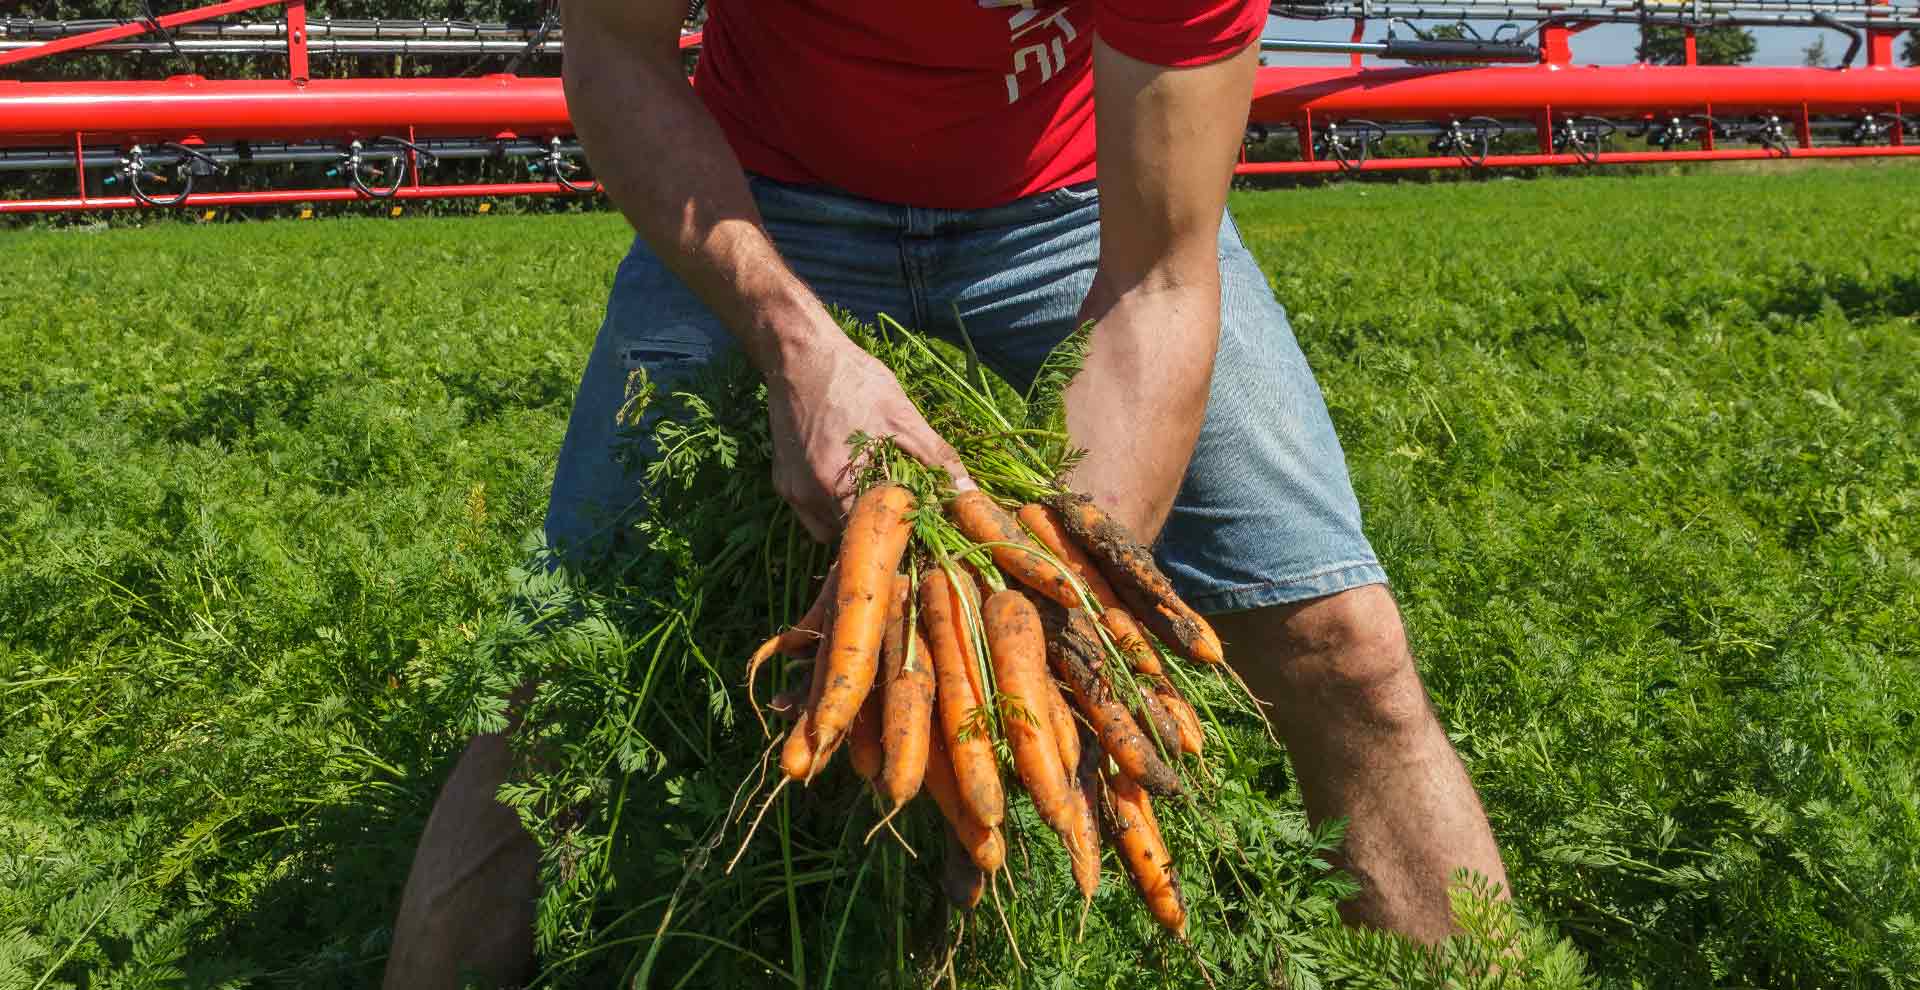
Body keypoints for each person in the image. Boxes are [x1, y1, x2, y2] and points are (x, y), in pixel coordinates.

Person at [383, 0, 1509, 985]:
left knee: (1344, 646)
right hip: (764, 202)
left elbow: (1160, 280)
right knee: (568, 669)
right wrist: (795, 348)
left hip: (1076, 206)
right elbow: (616, 53)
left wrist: (1038, 614)